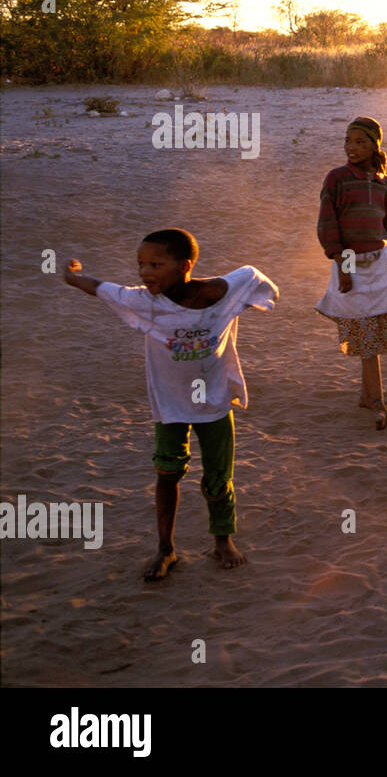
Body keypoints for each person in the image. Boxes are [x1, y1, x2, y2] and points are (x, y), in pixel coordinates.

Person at [62, 229, 278, 579]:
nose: (145, 272)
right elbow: (100, 288)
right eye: (141, 265)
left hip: (215, 402)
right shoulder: (145, 301)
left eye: (155, 264)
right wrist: (73, 278)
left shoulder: (224, 291)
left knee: (218, 478)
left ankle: (222, 540)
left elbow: (260, 282)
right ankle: (166, 549)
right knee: (167, 473)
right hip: (170, 406)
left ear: (185, 265)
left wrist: (239, 305)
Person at [316, 116, 387, 429]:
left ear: (374, 146)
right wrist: (343, 265)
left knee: (375, 331)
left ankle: (369, 396)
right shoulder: (336, 178)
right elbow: (328, 224)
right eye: (348, 141)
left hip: (380, 265)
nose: (352, 148)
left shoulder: (384, 182)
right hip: (351, 264)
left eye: (360, 142)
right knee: (367, 332)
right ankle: (376, 399)